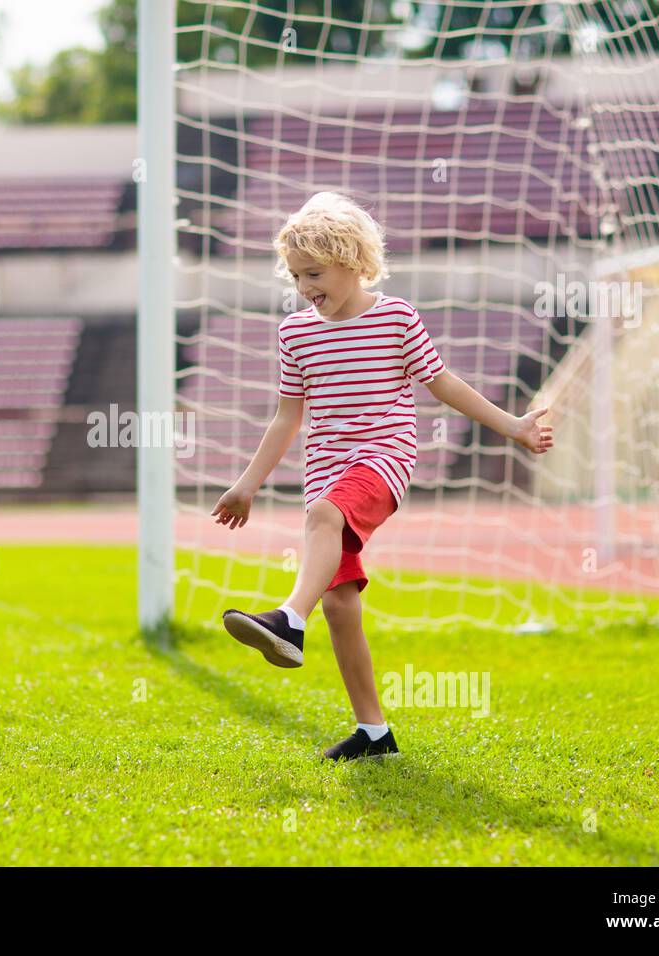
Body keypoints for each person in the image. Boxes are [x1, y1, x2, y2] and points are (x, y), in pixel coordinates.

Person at [211, 191, 553, 761]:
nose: (304, 287)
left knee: (326, 517)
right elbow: (287, 416)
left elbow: (442, 383)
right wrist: (247, 483)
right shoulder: (295, 334)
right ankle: (375, 735)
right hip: (325, 471)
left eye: (313, 272)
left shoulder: (396, 317)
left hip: (383, 459)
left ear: (351, 260)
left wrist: (513, 426)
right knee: (342, 603)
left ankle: (290, 620)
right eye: (296, 276)